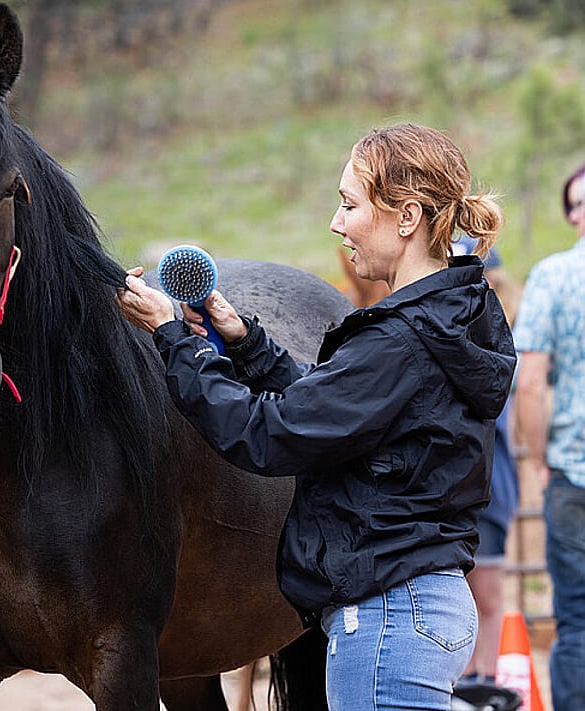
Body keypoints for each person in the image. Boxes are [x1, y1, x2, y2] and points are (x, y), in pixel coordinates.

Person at [116, 123, 515, 710]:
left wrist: (173, 338)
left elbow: (267, 435)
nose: (336, 223)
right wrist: (246, 342)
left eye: (350, 204)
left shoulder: (399, 342)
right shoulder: (450, 319)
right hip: (420, 605)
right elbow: (334, 410)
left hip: (387, 620)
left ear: (406, 217)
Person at [512, 163, 585, 711]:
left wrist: (539, 458)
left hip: (572, 470)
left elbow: (530, 383)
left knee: (578, 618)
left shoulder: (553, 277)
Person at [448, 239, 521, 689]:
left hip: (492, 486)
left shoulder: (507, 341)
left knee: (488, 593)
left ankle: (486, 682)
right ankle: (459, 682)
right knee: (457, 595)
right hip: (456, 488)